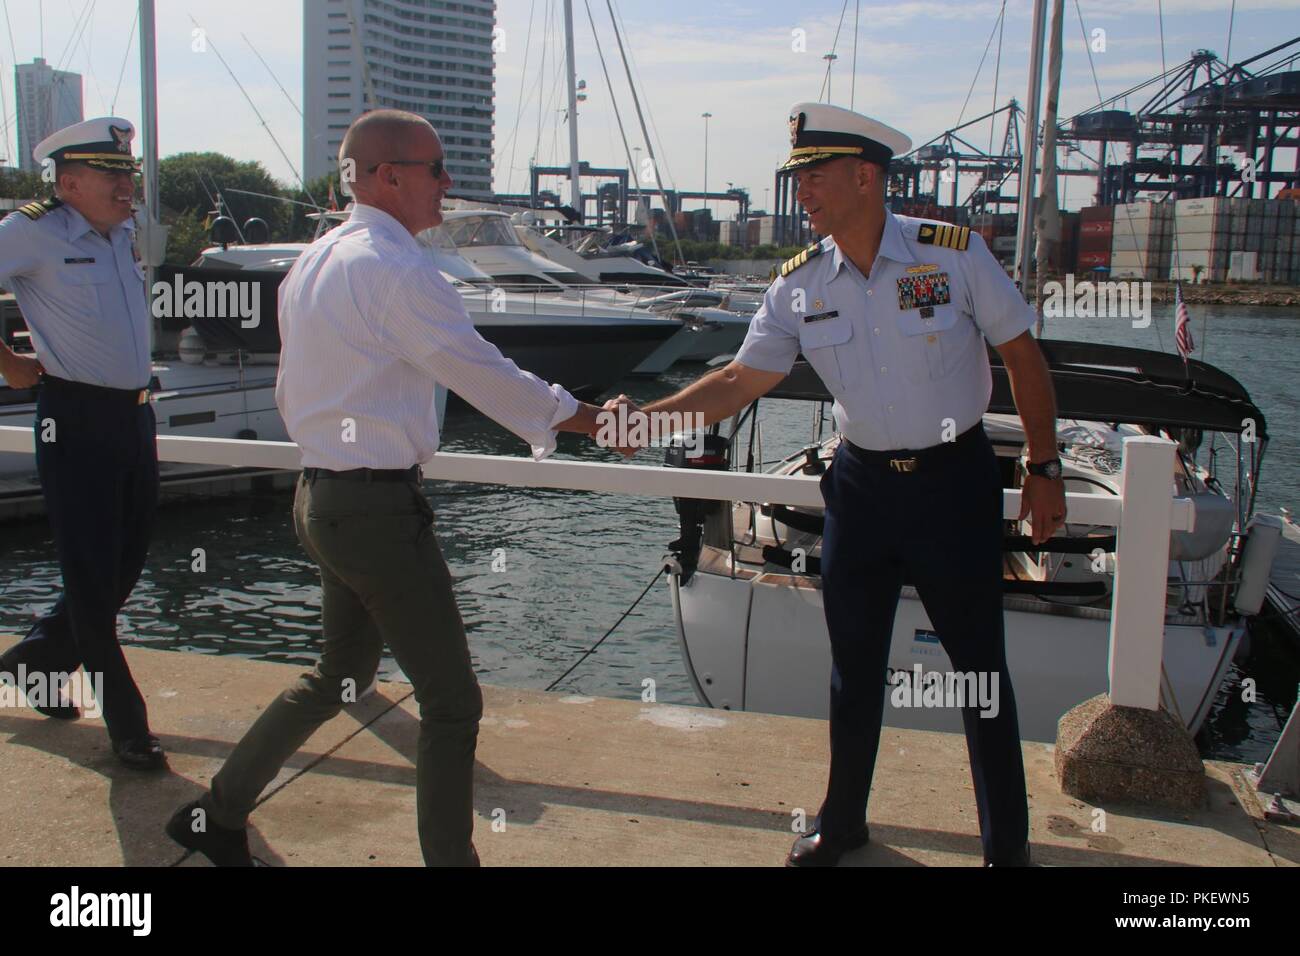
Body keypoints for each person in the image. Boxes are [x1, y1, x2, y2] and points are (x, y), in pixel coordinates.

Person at [610, 102, 1066, 867]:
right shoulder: (799, 283)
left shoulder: (950, 255)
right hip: (860, 489)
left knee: (980, 669)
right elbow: (738, 379)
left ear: (866, 176)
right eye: (799, 180)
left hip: (953, 486)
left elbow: (1022, 356)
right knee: (852, 665)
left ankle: (1006, 847)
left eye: (815, 177)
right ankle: (843, 822)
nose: (804, 195)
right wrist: (641, 424)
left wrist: (1044, 468)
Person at [166, 109, 607, 867]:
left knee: (338, 675)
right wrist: (592, 420)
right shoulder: (397, 269)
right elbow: (484, 375)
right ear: (387, 175)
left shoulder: (319, 257)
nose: (448, 184)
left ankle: (217, 813)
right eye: (436, 169)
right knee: (451, 702)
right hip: (371, 509)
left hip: (321, 498)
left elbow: (298, 383)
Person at [0, 117, 165, 770]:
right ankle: (127, 724)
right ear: (67, 182)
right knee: (92, 578)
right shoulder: (32, 231)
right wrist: (9, 361)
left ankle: (35, 660)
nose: (127, 186)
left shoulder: (119, 235)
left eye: (129, 173)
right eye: (112, 174)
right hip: (73, 417)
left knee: (123, 565)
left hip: (133, 417)